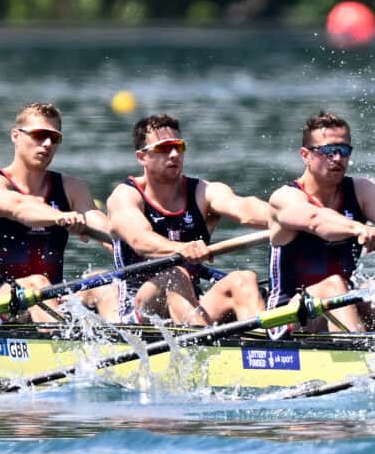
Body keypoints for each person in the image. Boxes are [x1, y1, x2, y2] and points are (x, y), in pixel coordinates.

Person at [268, 111, 375, 333]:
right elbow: (316, 220)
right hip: (285, 318)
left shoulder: (362, 190)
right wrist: (358, 228)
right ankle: (360, 355)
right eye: (328, 151)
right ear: (305, 155)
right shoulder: (284, 197)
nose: (337, 158)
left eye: (344, 151)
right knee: (334, 285)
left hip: (340, 305)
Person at [105, 115, 272, 326]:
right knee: (174, 275)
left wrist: (285, 219)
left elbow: (243, 208)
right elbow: (140, 240)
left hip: (190, 306)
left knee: (244, 279)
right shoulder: (125, 196)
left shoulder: (202, 191)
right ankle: (202, 348)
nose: (174, 154)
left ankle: (262, 350)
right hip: (138, 313)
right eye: (164, 148)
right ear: (142, 157)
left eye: (178, 146)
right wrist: (182, 248)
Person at [0, 102, 114, 323]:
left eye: (54, 138)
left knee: (105, 282)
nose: (46, 144)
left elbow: (100, 225)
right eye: (39, 135)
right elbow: (18, 207)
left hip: (51, 300)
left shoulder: (72, 188)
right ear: (15, 136)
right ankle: (59, 342)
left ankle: (125, 343)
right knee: (37, 283)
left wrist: (135, 246)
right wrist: (59, 216)